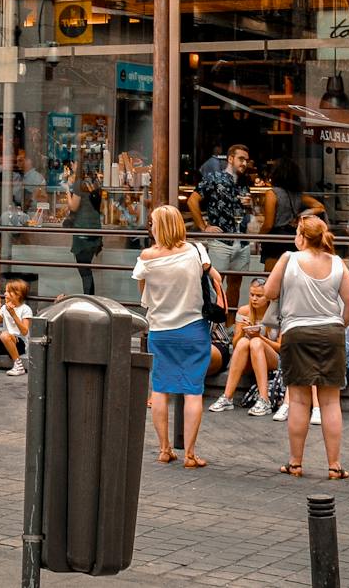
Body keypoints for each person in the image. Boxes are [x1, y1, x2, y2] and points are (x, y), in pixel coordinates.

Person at [265, 216, 349, 478]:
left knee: (298, 399)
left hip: (296, 332)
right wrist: (340, 325)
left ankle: (295, 463)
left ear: (302, 237)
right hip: (331, 332)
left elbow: (270, 292)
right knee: (330, 402)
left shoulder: (288, 259)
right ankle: (334, 465)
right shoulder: (337, 263)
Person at [133, 203, 223, 470]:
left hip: (160, 330)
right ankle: (191, 454)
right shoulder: (196, 251)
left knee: (160, 389)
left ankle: (164, 449)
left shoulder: (147, 257)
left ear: (158, 227)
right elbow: (216, 278)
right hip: (193, 328)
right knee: (193, 390)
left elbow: (143, 293)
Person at [189, 143, 258, 308]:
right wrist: (204, 227)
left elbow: (249, 210)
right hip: (221, 242)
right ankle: (215, 325)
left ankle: (230, 327)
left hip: (242, 242)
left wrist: (250, 206)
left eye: (246, 160)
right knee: (216, 285)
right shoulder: (214, 178)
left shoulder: (244, 183)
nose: (244, 163)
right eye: (241, 159)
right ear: (230, 158)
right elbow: (193, 200)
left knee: (235, 285)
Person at [209, 279, 279, 416]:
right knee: (243, 342)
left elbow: (281, 347)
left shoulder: (277, 314)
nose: (254, 299)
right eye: (252, 295)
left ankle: (264, 400)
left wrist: (259, 336)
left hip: (274, 361)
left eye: (259, 296)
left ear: (268, 297)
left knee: (255, 342)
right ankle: (227, 397)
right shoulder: (244, 311)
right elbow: (235, 345)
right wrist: (242, 331)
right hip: (249, 360)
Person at [64, 169, 105, 296]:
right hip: (94, 231)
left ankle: (89, 299)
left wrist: (66, 189)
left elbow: (73, 206)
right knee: (86, 269)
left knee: (85, 271)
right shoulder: (96, 183)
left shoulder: (79, 184)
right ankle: (89, 298)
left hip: (82, 234)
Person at [260, 157, 304, 271]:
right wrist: (300, 216)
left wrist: (258, 237)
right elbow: (319, 206)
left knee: (271, 278)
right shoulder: (298, 194)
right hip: (293, 238)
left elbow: (268, 224)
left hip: (275, 240)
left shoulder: (272, 193)